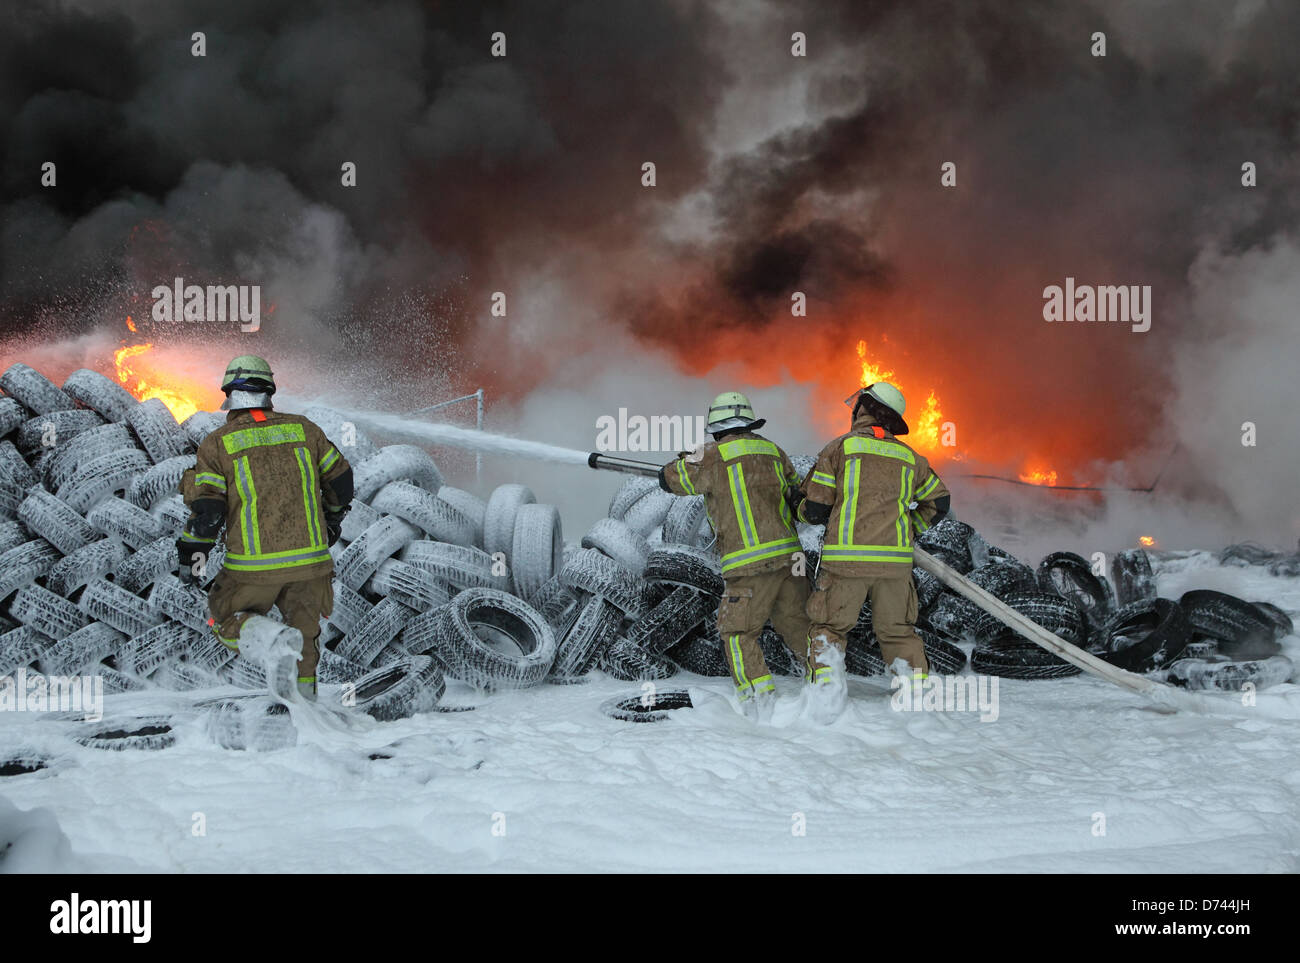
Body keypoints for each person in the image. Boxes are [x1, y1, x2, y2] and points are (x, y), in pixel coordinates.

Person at [177, 355, 353, 701]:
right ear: (269, 391)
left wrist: (192, 557)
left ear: (229, 394)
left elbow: (209, 512)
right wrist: (332, 521)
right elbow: (342, 482)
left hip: (253, 570)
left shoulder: (218, 443)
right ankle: (305, 708)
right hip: (311, 565)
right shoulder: (305, 429)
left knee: (223, 618)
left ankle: (271, 641)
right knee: (306, 637)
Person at [787, 382, 950, 722]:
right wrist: (908, 529)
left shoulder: (841, 449)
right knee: (898, 633)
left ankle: (826, 703)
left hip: (846, 565)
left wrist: (795, 508)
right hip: (894, 567)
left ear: (864, 409)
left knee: (830, 629)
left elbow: (815, 510)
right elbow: (940, 501)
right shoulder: (910, 458)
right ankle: (918, 700)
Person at [659, 391, 810, 721]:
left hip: (748, 564)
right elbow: (798, 498)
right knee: (799, 628)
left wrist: (685, 458)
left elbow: (672, 478)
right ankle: (826, 687)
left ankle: (760, 703)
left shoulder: (712, 454)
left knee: (738, 633)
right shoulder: (774, 451)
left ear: (717, 426)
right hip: (790, 560)